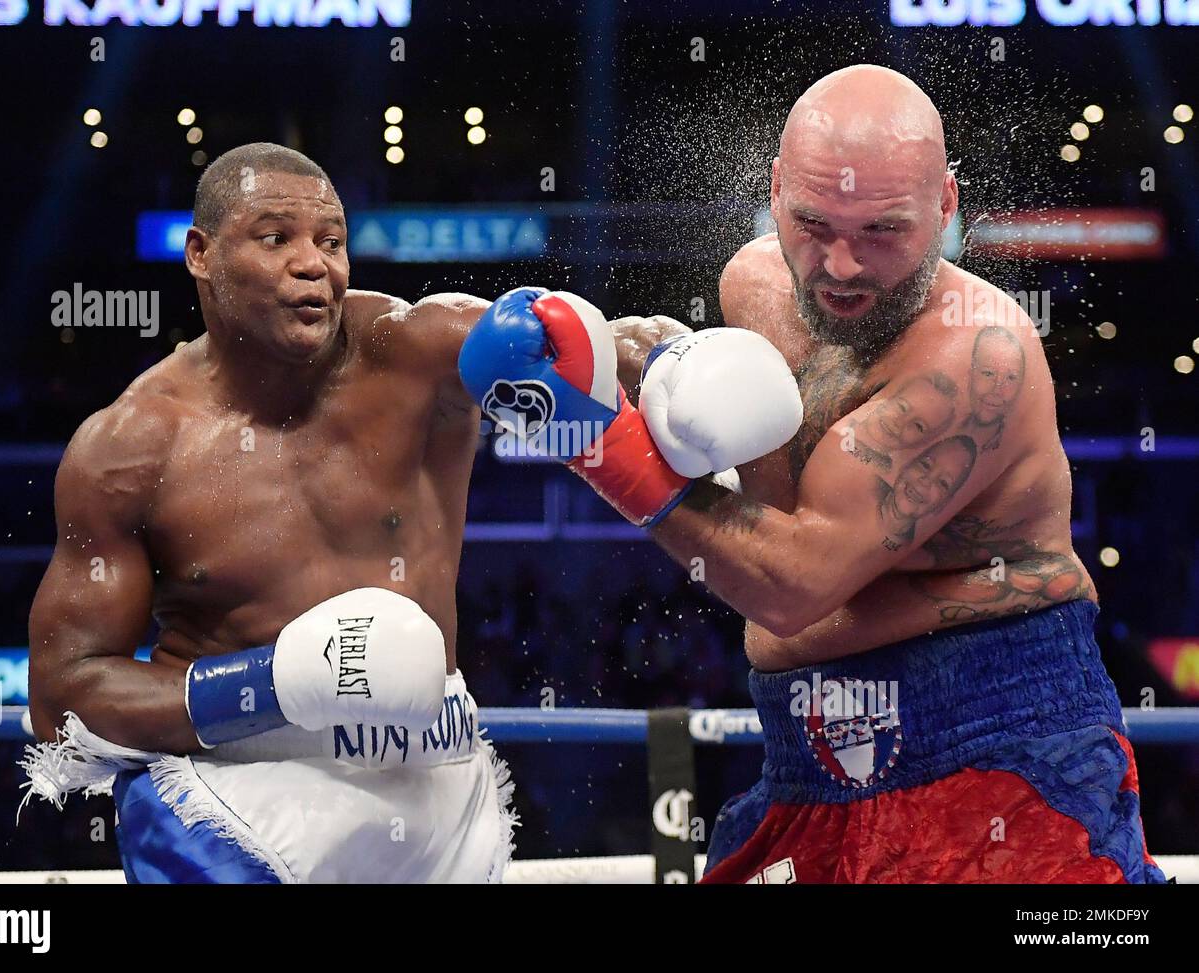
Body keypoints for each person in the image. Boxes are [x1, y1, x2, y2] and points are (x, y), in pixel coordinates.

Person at [457, 65, 1164, 883]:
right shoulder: (754, 288)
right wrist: (624, 360)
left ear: (945, 208)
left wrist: (593, 436)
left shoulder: (978, 354)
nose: (841, 265)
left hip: (1001, 751)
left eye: (882, 232)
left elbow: (791, 586)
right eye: (814, 222)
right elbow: (771, 503)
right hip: (805, 757)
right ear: (776, 188)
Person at [23, 143, 518, 883]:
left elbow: (587, 347)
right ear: (200, 254)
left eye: (330, 241)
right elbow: (62, 699)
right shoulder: (131, 445)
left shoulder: (414, 349)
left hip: (434, 778)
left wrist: (671, 361)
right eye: (276, 237)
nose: (314, 263)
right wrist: (275, 683)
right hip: (241, 787)